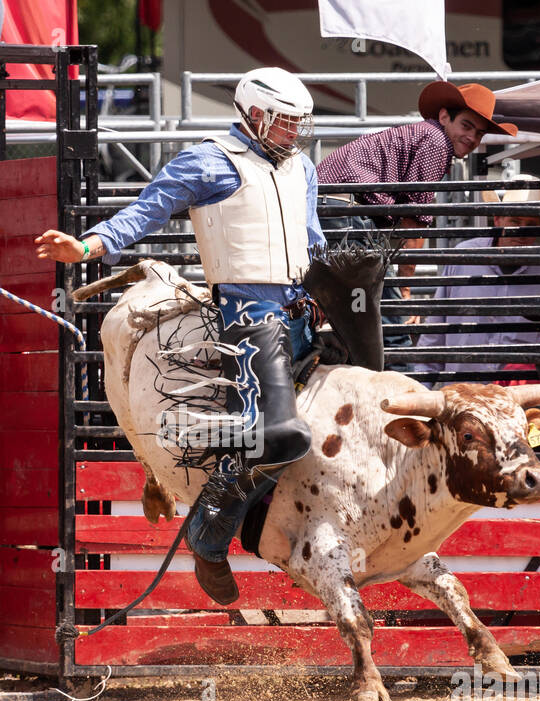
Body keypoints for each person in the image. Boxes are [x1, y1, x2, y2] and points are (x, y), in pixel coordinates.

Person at [34, 67, 324, 605]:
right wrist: (89, 247)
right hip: (248, 315)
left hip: (304, 307)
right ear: (255, 115)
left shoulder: (301, 167)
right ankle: (210, 527)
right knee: (284, 434)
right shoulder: (209, 160)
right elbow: (148, 211)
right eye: (286, 123)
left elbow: (313, 239)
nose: (295, 134)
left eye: (299, 124)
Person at [316, 82, 518, 361]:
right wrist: (406, 291)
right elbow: (414, 221)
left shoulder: (426, 135)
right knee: (387, 317)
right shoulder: (436, 142)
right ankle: (397, 384)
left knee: (361, 309)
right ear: (445, 116)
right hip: (343, 212)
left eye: (479, 133)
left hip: (334, 209)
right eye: (467, 126)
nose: (471, 138)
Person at [411, 175, 540, 386]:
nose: (521, 231)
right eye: (515, 221)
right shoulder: (463, 258)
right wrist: (420, 392)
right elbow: (434, 335)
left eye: (530, 224)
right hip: (464, 393)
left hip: (520, 397)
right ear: (498, 219)